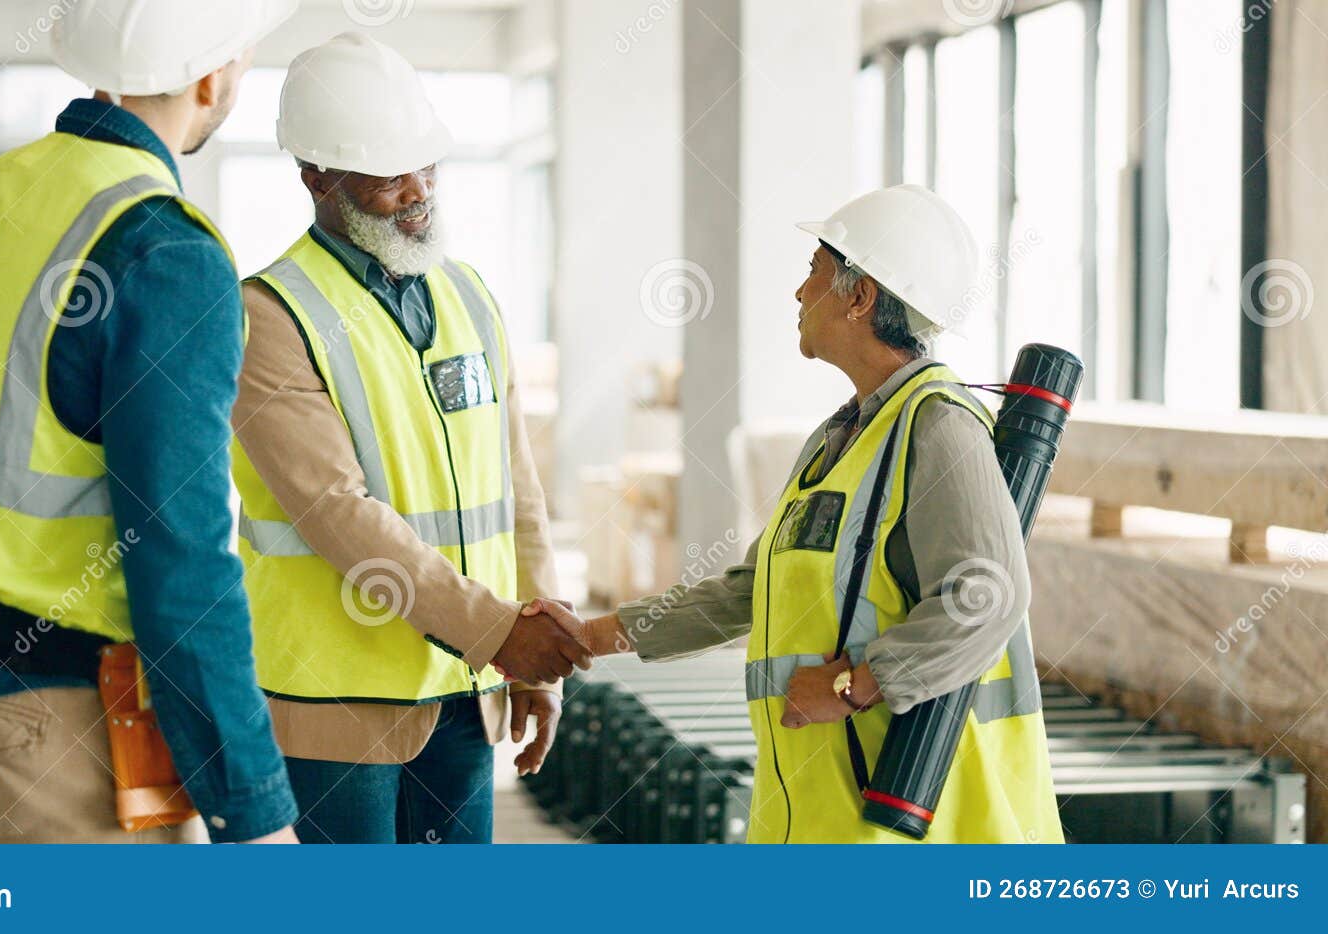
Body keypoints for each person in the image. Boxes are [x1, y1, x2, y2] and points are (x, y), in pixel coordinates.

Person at [0, 0, 302, 843]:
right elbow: (182, 555)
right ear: (214, 76)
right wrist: (253, 806)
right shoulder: (164, 252)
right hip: (60, 729)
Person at [530, 185, 1064, 844]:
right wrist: (592, 636)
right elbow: (753, 591)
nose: (798, 293)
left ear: (859, 295)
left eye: (813, 271)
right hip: (816, 813)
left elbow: (988, 594)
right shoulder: (843, 437)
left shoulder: (939, 427)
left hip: (918, 824)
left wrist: (852, 685)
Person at [228, 32, 588, 845]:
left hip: (463, 691)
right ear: (315, 176)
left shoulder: (467, 293)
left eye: (426, 164)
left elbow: (518, 488)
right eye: (390, 173)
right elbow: (333, 512)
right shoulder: (269, 316)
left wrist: (539, 632)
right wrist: (499, 632)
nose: (419, 191)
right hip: (337, 708)